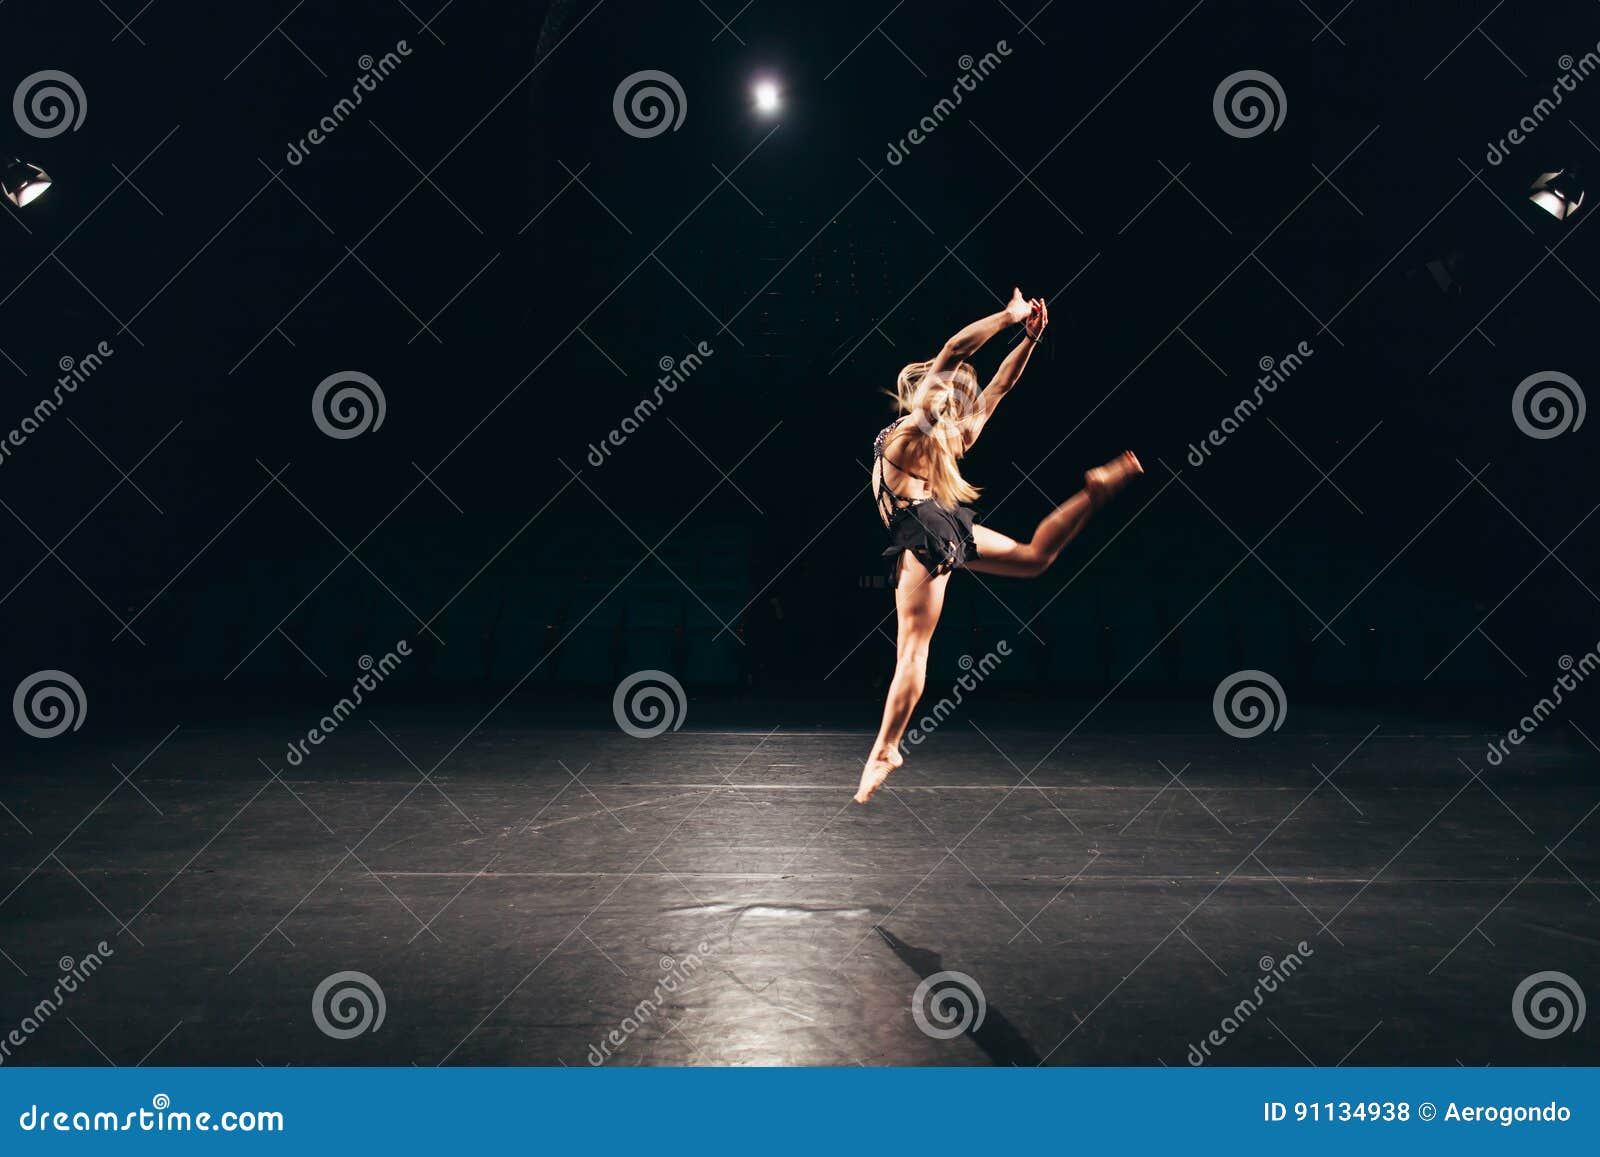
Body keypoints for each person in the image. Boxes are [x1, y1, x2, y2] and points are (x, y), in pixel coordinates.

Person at [856, 288, 1143, 803]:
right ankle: (1092, 494)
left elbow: (955, 348)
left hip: (924, 531)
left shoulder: (912, 433)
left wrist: (1011, 319)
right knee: (1034, 558)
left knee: (913, 649)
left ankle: (886, 747)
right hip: (939, 522)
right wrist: (1030, 340)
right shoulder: (955, 437)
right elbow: (1001, 386)